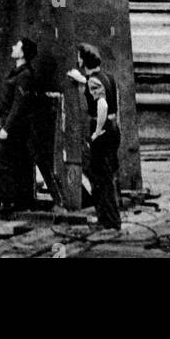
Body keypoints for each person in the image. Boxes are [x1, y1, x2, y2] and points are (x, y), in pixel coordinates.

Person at [67, 42, 121, 231]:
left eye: (79, 56)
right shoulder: (107, 77)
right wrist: (82, 80)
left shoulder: (93, 81)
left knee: (99, 178)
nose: (78, 59)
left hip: (102, 130)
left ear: (84, 59)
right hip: (113, 129)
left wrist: (97, 130)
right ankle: (111, 220)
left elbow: (103, 105)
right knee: (106, 175)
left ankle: (108, 222)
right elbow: (100, 88)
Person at [0, 38, 38, 216]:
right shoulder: (17, 72)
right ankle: (18, 200)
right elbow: (11, 99)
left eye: (17, 46)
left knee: (1, 159)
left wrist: (7, 128)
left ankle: (9, 201)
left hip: (15, 128)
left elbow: (19, 105)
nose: (13, 46)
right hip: (10, 123)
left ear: (23, 52)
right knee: (15, 161)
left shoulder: (25, 75)